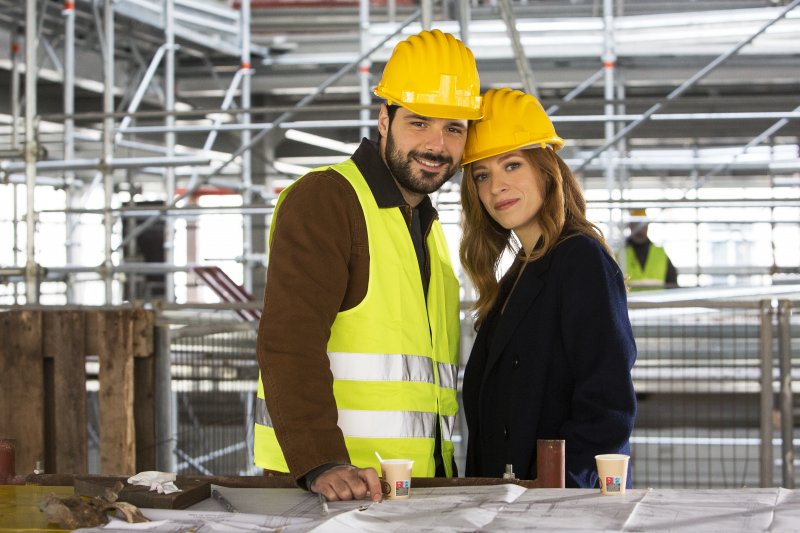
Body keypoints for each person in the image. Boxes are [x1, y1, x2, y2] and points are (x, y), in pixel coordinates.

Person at [253, 29, 482, 502]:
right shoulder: (328, 200)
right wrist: (319, 461)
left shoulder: (427, 226)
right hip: (329, 486)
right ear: (384, 119)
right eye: (419, 122)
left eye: (453, 128)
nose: (437, 145)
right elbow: (289, 340)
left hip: (407, 485)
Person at [458, 88, 637, 488]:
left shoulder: (580, 260)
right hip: (506, 497)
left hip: (553, 504)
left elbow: (607, 405)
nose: (495, 187)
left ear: (545, 169)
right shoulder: (519, 271)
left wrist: (560, 497)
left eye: (512, 165)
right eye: (482, 174)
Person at [625, 209, 679, 290]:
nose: (640, 229)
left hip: (658, 302)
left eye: (642, 224)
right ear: (630, 226)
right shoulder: (620, 254)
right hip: (630, 302)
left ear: (647, 226)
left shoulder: (660, 253)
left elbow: (673, 285)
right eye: (636, 224)